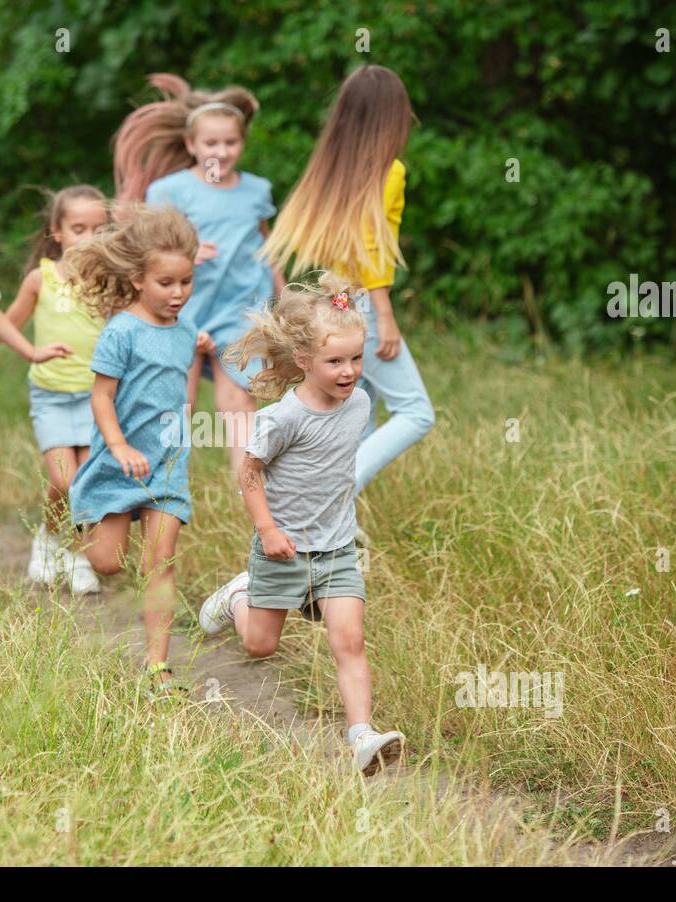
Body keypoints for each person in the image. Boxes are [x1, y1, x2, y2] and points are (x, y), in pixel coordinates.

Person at [201, 274, 405, 774]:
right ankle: (238, 597)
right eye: (335, 361)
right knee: (260, 646)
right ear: (303, 360)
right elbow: (250, 474)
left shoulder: (359, 404)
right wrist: (268, 531)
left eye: (356, 358)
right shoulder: (281, 419)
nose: (349, 371)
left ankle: (361, 736)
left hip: (336, 550)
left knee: (349, 640)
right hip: (282, 549)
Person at [260, 65, 435, 503]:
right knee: (416, 412)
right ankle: (335, 488)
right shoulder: (388, 171)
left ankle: (339, 535)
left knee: (361, 415)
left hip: (340, 299)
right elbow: (372, 246)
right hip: (364, 305)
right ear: (392, 115)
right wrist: (385, 313)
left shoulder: (334, 169)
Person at [62, 205, 214, 698]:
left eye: (185, 282)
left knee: (160, 562)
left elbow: (181, 393)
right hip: (117, 462)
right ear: (137, 278)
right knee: (107, 562)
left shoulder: (186, 331)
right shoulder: (122, 331)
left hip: (168, 464)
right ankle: (83, 527)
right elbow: (101, 397)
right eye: (166, 283)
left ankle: (158, 667)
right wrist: (121, 445)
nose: (177, 294)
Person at [114, 73, 284, 477]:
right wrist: (186, 250)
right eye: (211, 143)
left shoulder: (256, 190)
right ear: (191, 145)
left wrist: (285, 299)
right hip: (182, 312)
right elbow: (148, 252)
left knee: (241, 405)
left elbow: (267, 248)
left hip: (242, 314)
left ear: (242, 143)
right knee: (177, 407)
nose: (221, 152)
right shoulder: (168, 191)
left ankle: (249, 499)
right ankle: (163, 488)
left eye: (231, 143)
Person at [0, 185, 109, 594]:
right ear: (57, 231)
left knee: (86, 481)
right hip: (53, 396)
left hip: (99, 398)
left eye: (100, 228)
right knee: (64, 480)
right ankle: (47, 538)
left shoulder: (113, 281)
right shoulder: (40, 278)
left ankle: (79, 554)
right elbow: (8, 323)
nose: (90, 237)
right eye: (79, 227)